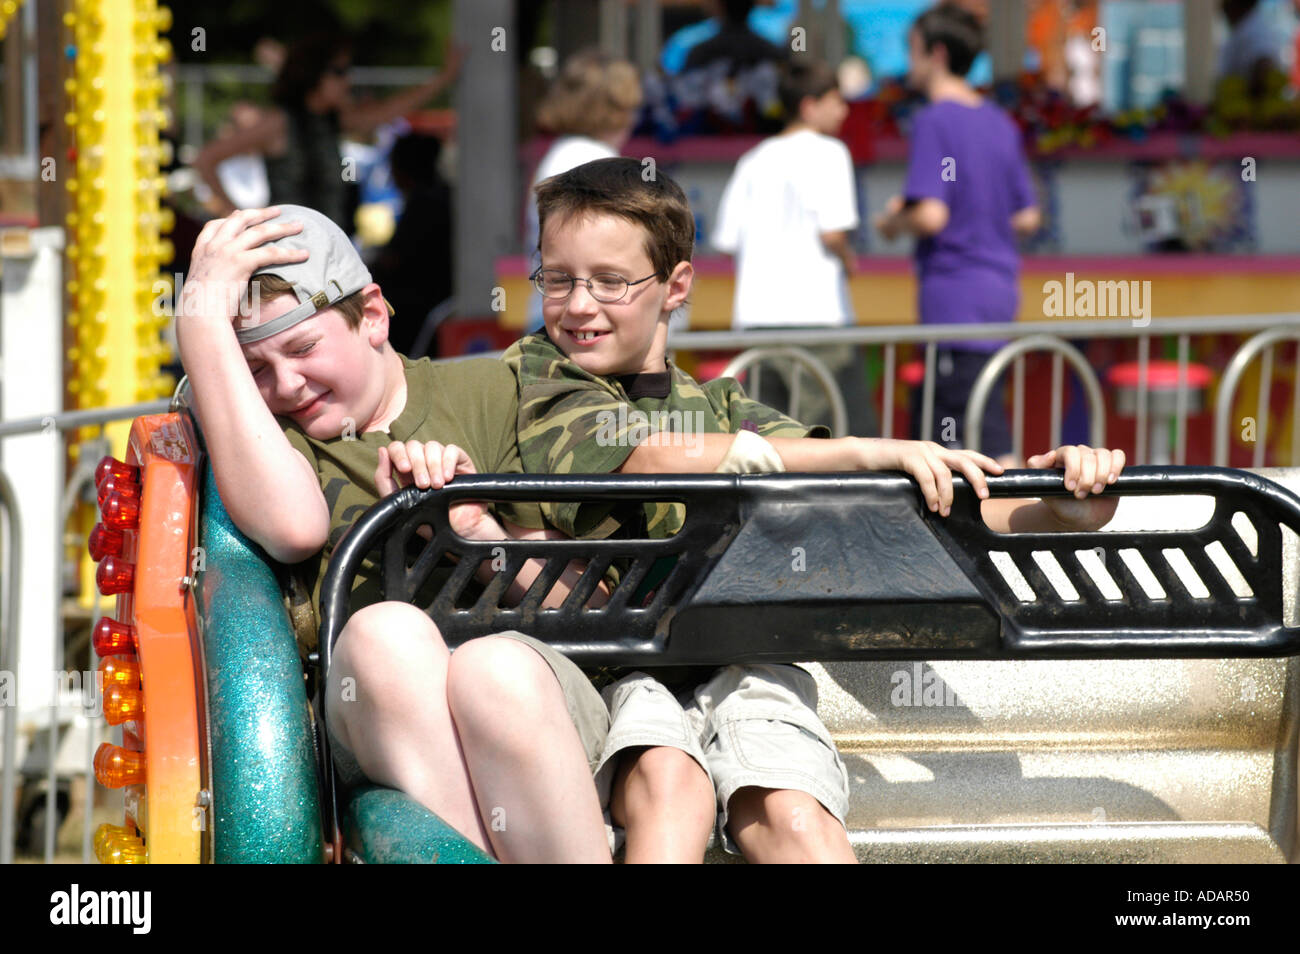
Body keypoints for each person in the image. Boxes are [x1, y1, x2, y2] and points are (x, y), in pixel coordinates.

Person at [503, 156, 1125, 863]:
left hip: (743, 666)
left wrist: (1058, 506)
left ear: (675, 286)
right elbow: (643, 453)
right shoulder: (539, 377)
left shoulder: (721, 407)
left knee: (798, 822)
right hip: (613, 672)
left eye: (610, 281)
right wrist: (861, 449)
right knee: (667, 785)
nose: (578, 305)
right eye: (558, 278)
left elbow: (898, 508)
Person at [174, 204, 613, 863]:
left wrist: (473, 530)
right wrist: (201, 320)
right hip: (374, 713)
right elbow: (294, 529)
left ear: (373, 316)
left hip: (543, 707)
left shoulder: (497, 392)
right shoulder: (272, 438)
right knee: (386, 634)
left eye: (303, 348)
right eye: (254, 369)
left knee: (495, 669)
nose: (286, 384)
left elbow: (591, 603)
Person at [875, 2, 1041, 467]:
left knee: (958, 448)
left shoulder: (935, 120)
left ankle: (1013, 513)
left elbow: (932, 215)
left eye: (912, 50)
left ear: (938, 53)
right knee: (984, 424)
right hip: (999, 295)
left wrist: (894, 221)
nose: (907, 63)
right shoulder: (999, 122)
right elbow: (1027, 216)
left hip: (954, 300)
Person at [712, 58, 876, 437]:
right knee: (832, 435)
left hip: (757, 319)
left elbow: (726, 242)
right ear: (809, 105)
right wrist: (849, 260)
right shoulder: (831, 152)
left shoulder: (753, 158)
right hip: (818, 318)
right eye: (836, 101)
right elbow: (833, 233)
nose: (844, 110)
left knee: (770, 438)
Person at [193, 33, 462, 232]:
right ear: (314, 74)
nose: (348, 80)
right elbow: (205, 159)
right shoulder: (280, 122)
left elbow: (389, 110)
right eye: (339, 71)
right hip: (288, 259)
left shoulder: (331, 120)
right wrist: (240, 220)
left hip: (328, 255)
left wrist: (443, 78)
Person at [523, 49, 643, 333]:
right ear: (616, 107)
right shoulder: (596, 163)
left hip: (556, 311)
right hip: (578, 320)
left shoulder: (563, 154)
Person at [369, 132, 453, 357]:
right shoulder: (439, 196)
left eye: (393, 166)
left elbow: (394, 259)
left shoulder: (425, 203)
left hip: (421, 309)